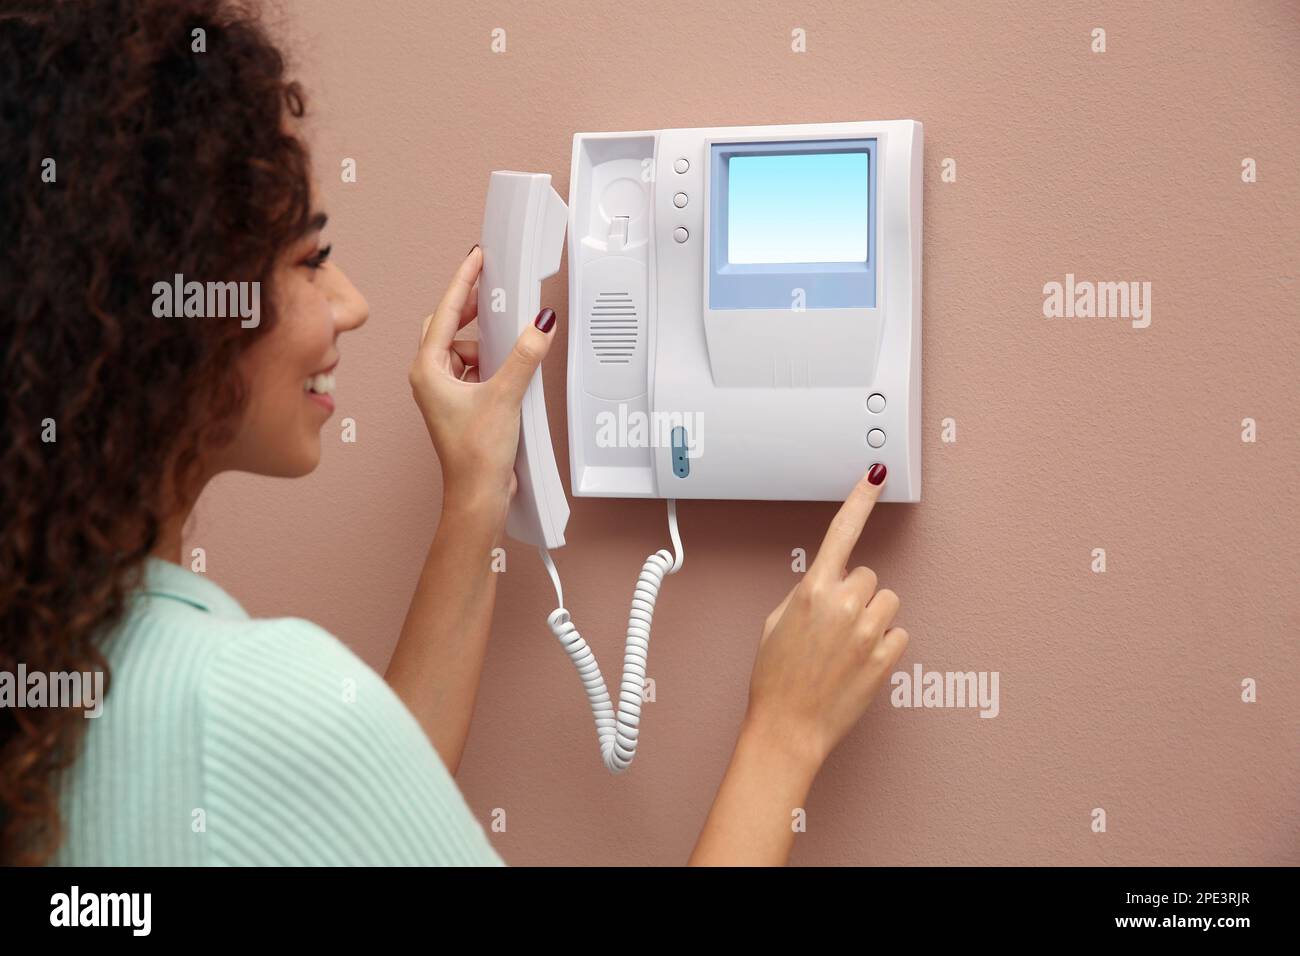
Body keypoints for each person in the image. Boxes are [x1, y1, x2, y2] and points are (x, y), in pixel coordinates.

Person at [0, 0, 909, 866]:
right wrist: (783, 735)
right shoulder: (240, 708)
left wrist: (479, 492)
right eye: (311, 261)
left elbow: (361, 831)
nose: (351, 304)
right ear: (175, 318)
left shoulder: (56, 662)